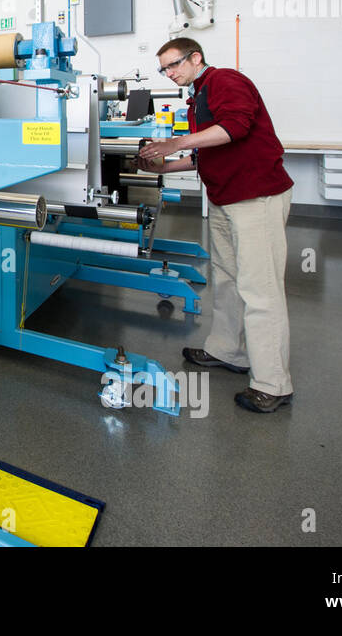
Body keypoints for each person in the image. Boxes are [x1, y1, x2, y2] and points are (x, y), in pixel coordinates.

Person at [137, 38, 295, 413]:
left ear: (196, 58)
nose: (170, 73)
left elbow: (236, 128)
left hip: (256, 198)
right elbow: (204, 156)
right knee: (226, 278)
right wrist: (161, 166)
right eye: (164, 69)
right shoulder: (198, 98)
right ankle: (229, 350)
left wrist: (175, 144)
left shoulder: (225, 81)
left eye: (174, 64)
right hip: (226, 199)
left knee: (261, 289)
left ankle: (274, 383)